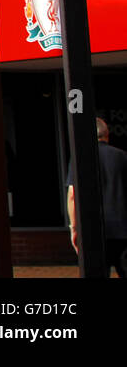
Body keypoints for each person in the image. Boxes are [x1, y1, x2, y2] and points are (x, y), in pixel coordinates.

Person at [67, 117, 127, 277]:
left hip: (94, 231)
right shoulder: (122, 157)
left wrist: (74, 228)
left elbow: (72, 195)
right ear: (107, 135)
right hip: (123, 231)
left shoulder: (80, 157)